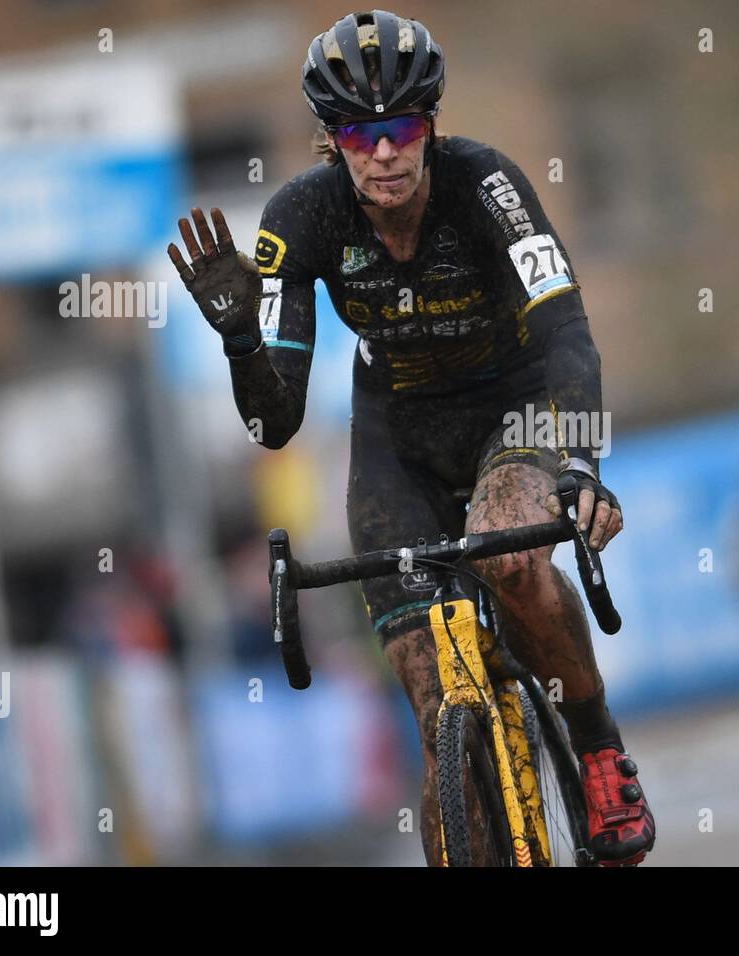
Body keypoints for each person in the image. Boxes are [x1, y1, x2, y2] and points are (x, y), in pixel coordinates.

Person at [166, 9, 654, 866]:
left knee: (509, 553)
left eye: (401, 129)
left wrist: (580, 465)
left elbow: (568, 330)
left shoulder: (487, 186)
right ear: (334, 141)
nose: (384, 152)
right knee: (438, 727)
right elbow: (273, 423)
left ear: (429, 125)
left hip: (514, 406)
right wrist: (240, 338)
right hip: (397, 437)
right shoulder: (301, 218)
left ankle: (598, 742)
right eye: (360, 134)